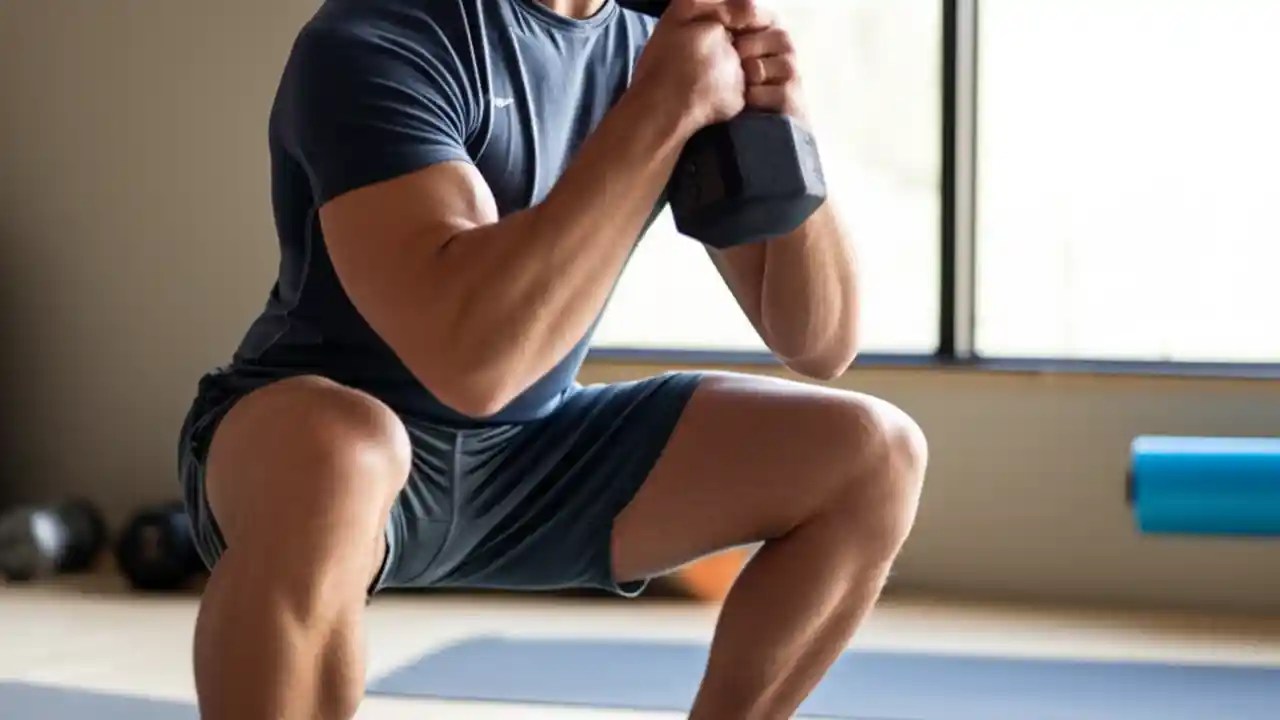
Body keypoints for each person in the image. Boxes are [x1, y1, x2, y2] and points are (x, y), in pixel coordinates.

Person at [176, 0, 928, 717]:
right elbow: (473, 365)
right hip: (311, 443)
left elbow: (819, 340)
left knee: (875, 455)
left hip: (533, 457)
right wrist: (658, 110)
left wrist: (783, 126)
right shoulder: (378, 39)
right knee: (348, 452)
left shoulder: (657, 41)